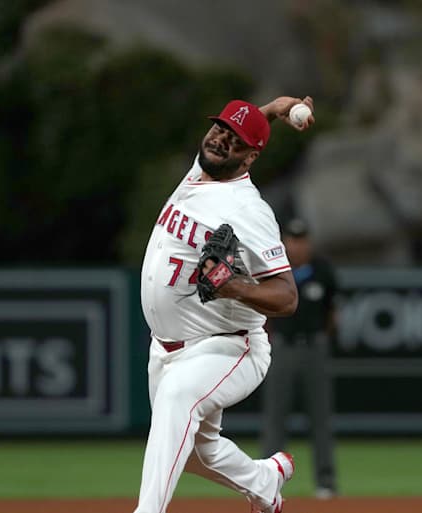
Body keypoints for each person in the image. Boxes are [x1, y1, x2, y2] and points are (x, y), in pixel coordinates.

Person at [134, 95, 316, 513]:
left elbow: (287, 297)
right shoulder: (200, 172)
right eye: (219, 128)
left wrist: (234, 287)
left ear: (250, 157)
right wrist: (272, 111)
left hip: (229, 346)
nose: (220, 140)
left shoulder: (250, 210)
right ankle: (265, 481)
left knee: (178, 398)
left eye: (235, 140)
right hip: (165, 347)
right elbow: (243, 127)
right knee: (198, 453)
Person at [260, 217, 339, 499]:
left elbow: (332, 312)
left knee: (320, 417)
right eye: (292, 239)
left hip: (314, 347)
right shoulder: (275, 270)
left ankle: (326, 483)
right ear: (284, 242)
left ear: (309, 242)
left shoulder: (322, 271)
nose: (298, 245)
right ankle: (267, 484)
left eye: (302, 239)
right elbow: (262, 311)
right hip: (282, 346)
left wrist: (321, 338)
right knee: (275, 418)